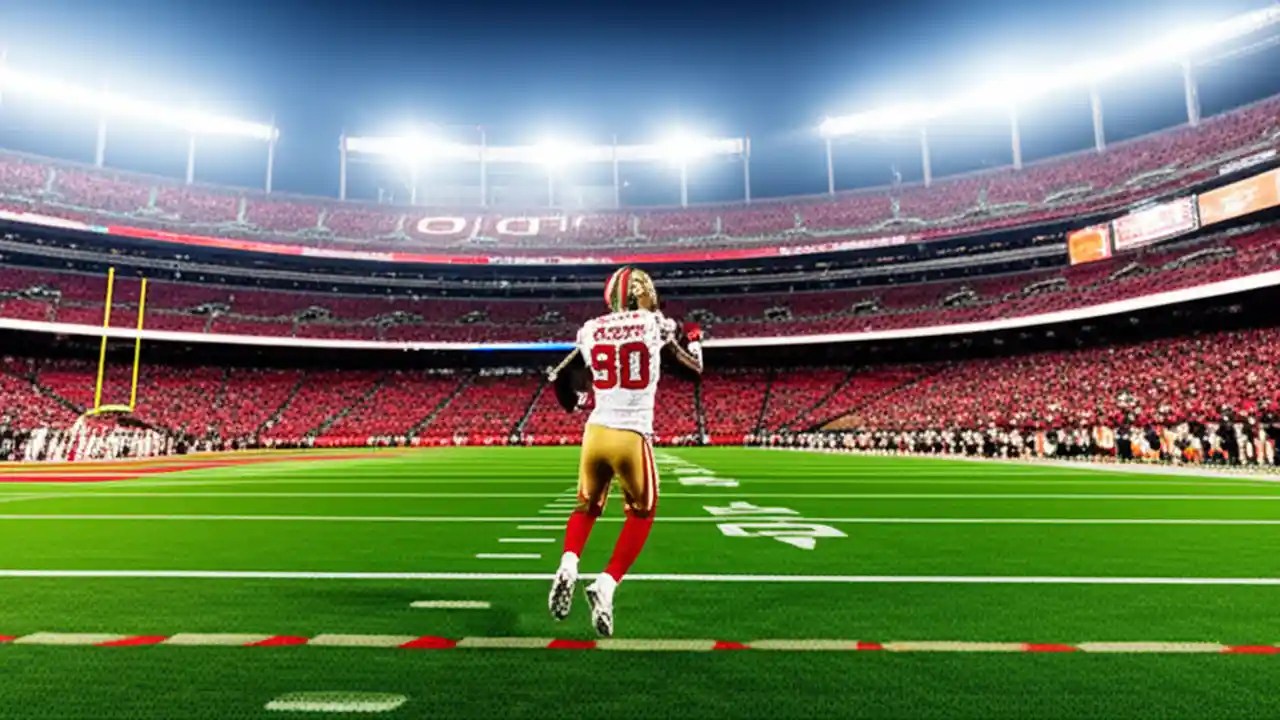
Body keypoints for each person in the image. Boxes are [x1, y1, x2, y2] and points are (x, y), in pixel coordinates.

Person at [543, 266, 703, 637]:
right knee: (642, 513)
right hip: (632, 434)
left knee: (586, 507)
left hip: (596, 431)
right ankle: (607, 583)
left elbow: (562, 381)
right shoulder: (654, 324)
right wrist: (694, 340)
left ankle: (569, 562)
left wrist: (577, 402)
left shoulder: (591, 328)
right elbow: (693, 371)